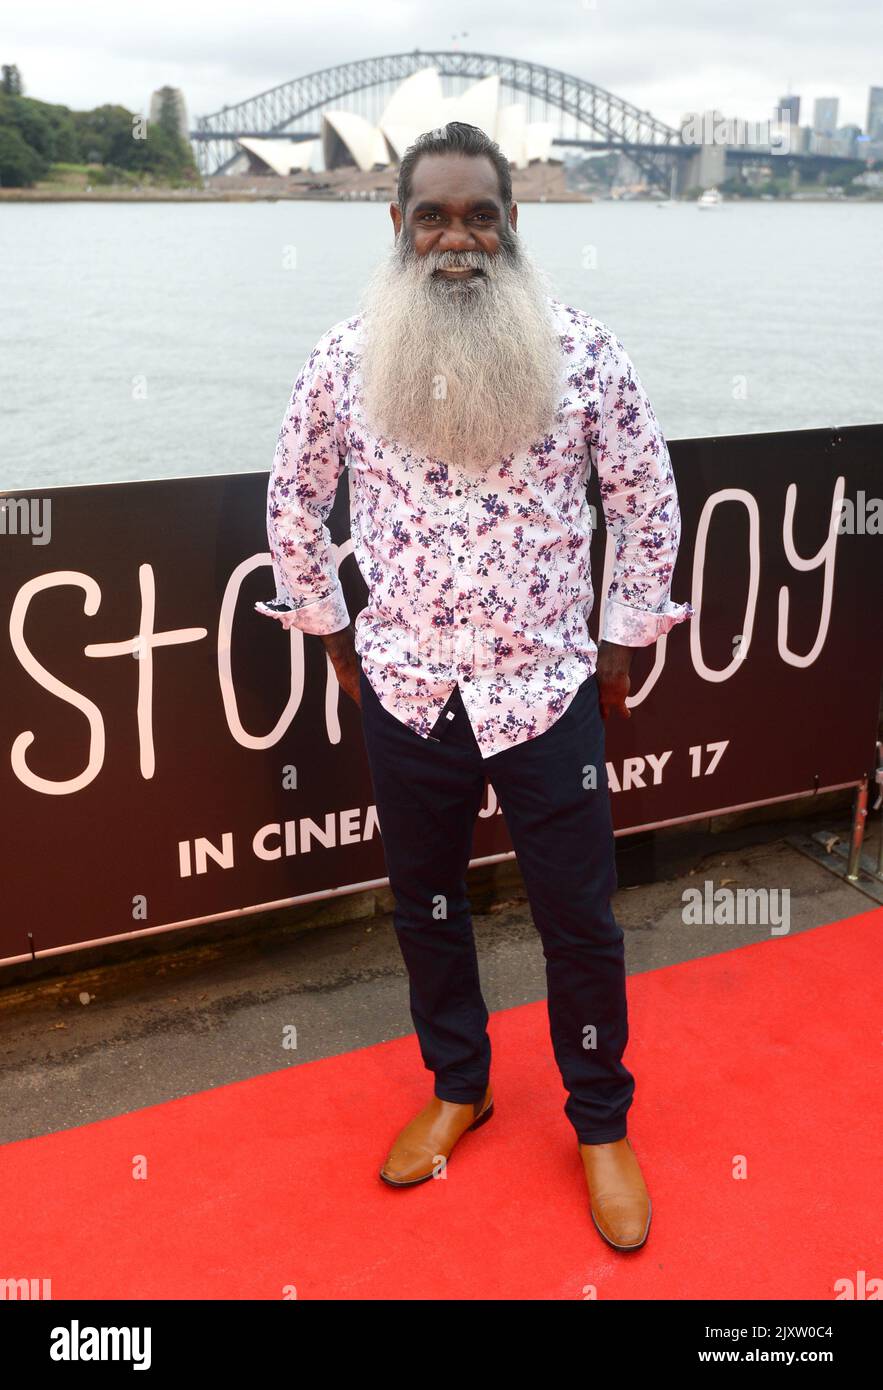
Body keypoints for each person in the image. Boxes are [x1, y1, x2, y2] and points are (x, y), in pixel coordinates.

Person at [256, 121, 692, 1252]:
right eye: (434, 214)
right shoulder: (344, 357)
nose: (458, 236)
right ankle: (461, 1082)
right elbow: (293, 497)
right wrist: (335, 636)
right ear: (395, 225)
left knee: (579, 919)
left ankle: (600, 1122)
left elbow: (647, 499)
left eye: (480, 214)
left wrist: (619, 641)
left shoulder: (584, 352)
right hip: (404, 690)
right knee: (427, 906)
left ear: (512, 224)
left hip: (549, 691)